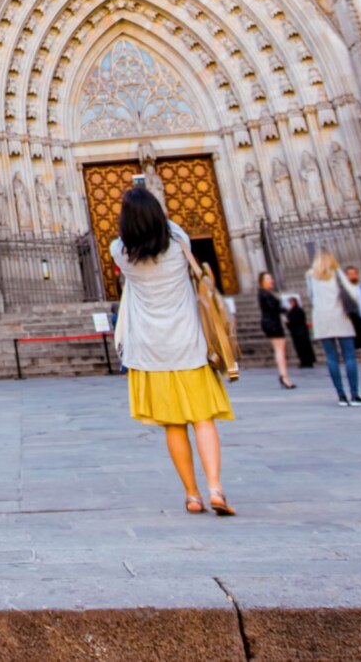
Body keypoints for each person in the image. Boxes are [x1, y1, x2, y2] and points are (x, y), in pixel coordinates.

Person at [111, 185, 236, 516]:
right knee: (203, 420)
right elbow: (171, 228)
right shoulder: (179, 242)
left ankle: (192, 495)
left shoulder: (119, 252)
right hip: (189, 346)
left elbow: (124, 240)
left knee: (174, 425)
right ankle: (215, 488)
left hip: (151, 351)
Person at [306, 248, 361, 406]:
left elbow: (311, 296)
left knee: (331, 358)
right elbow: (353, 293)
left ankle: (341, 396)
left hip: (322, 320)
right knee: (349, 357)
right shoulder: (336, 272)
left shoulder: (310, 275)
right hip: (340, 317)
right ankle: (354, 395)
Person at [257, 271, 296, 387]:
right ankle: (284, 377)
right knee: (280, 350)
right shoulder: (265, 294)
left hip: (271, 322)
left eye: (271, 278)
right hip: (272, 324)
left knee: (279, 350)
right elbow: (273, 308)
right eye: (268, 279)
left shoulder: (265, 293)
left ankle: (283, 375)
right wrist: (285, 309)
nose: (271, 281)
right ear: (262, 281)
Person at [284, 295, 316, 370]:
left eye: (291, 302)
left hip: (300, 332)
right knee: (301, 348)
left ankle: (306, 361)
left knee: (303, 347)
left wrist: (288, 321)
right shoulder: (293, 310)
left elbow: (295, 320)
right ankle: (305, 361)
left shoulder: (297, 310)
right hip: (298, 332)